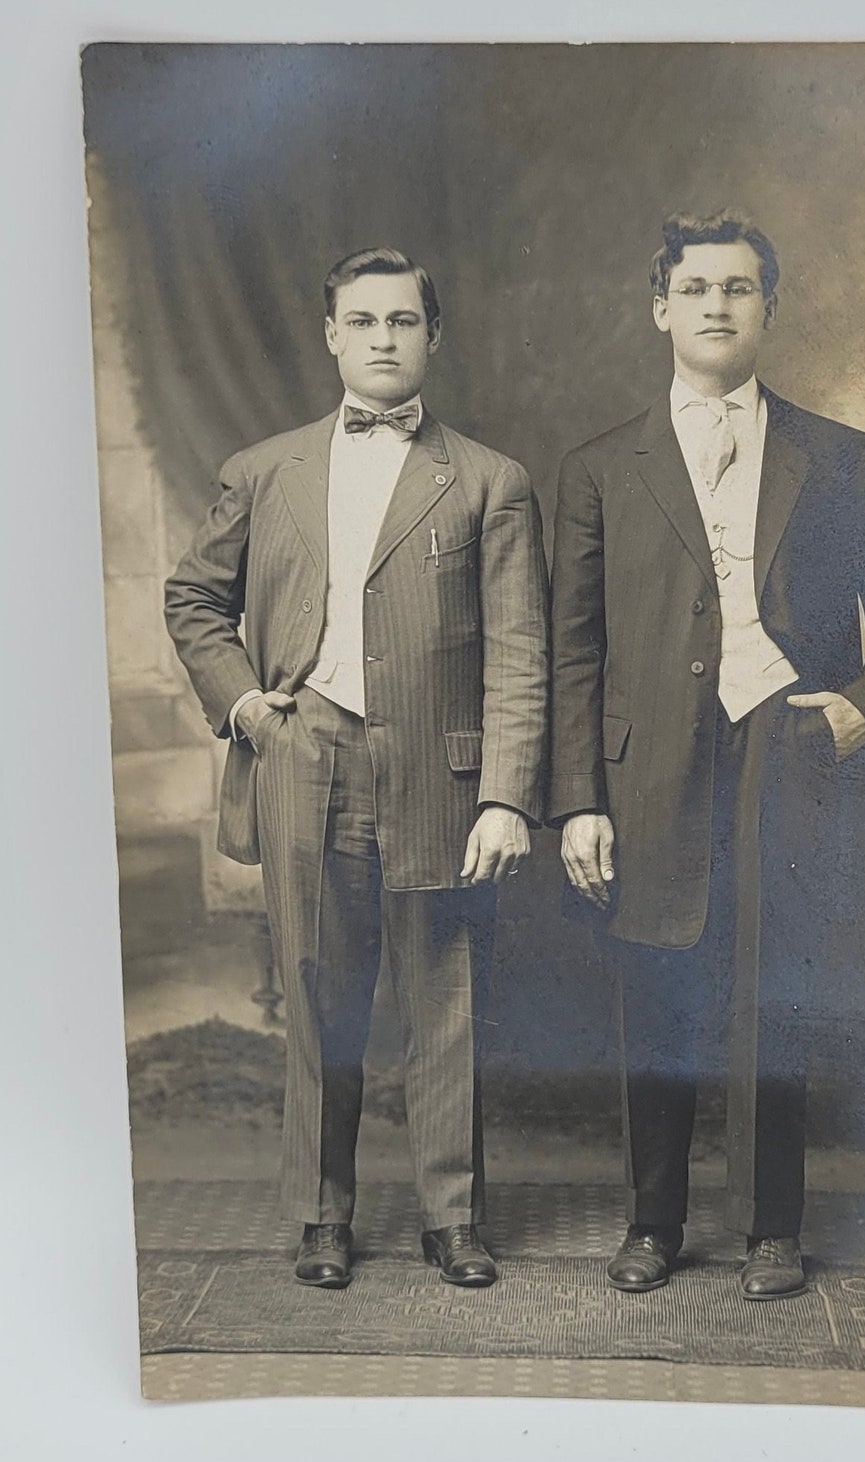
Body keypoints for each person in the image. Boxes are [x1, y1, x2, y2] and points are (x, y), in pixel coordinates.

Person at [548, 210, 865, 1300]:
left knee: (779, 987)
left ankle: (774, 1226)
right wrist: (578, 799)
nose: (716, 306)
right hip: (648, 771)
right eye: (695, 288)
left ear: (769, 308)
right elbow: (572, 648)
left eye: (738, 287)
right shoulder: (599, 469)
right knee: (659, 988)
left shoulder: (845, 459)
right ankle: (653, 1221)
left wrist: (859, 711)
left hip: (791, 754)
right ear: (661, 310)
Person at [165, 247, 548, 1290]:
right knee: (317, 991)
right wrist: (248, 705)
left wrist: (507, 794)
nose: (384, 338)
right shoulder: (264, 470)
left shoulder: (491, 481)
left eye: (404, 320)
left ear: (434, 336)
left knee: (445, 998)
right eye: (364, 320)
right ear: (332, 335)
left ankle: (453, 1217)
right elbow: (193, 599)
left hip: (442, 776)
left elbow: (520, 651)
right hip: (307, 757)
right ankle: (322, 1216)